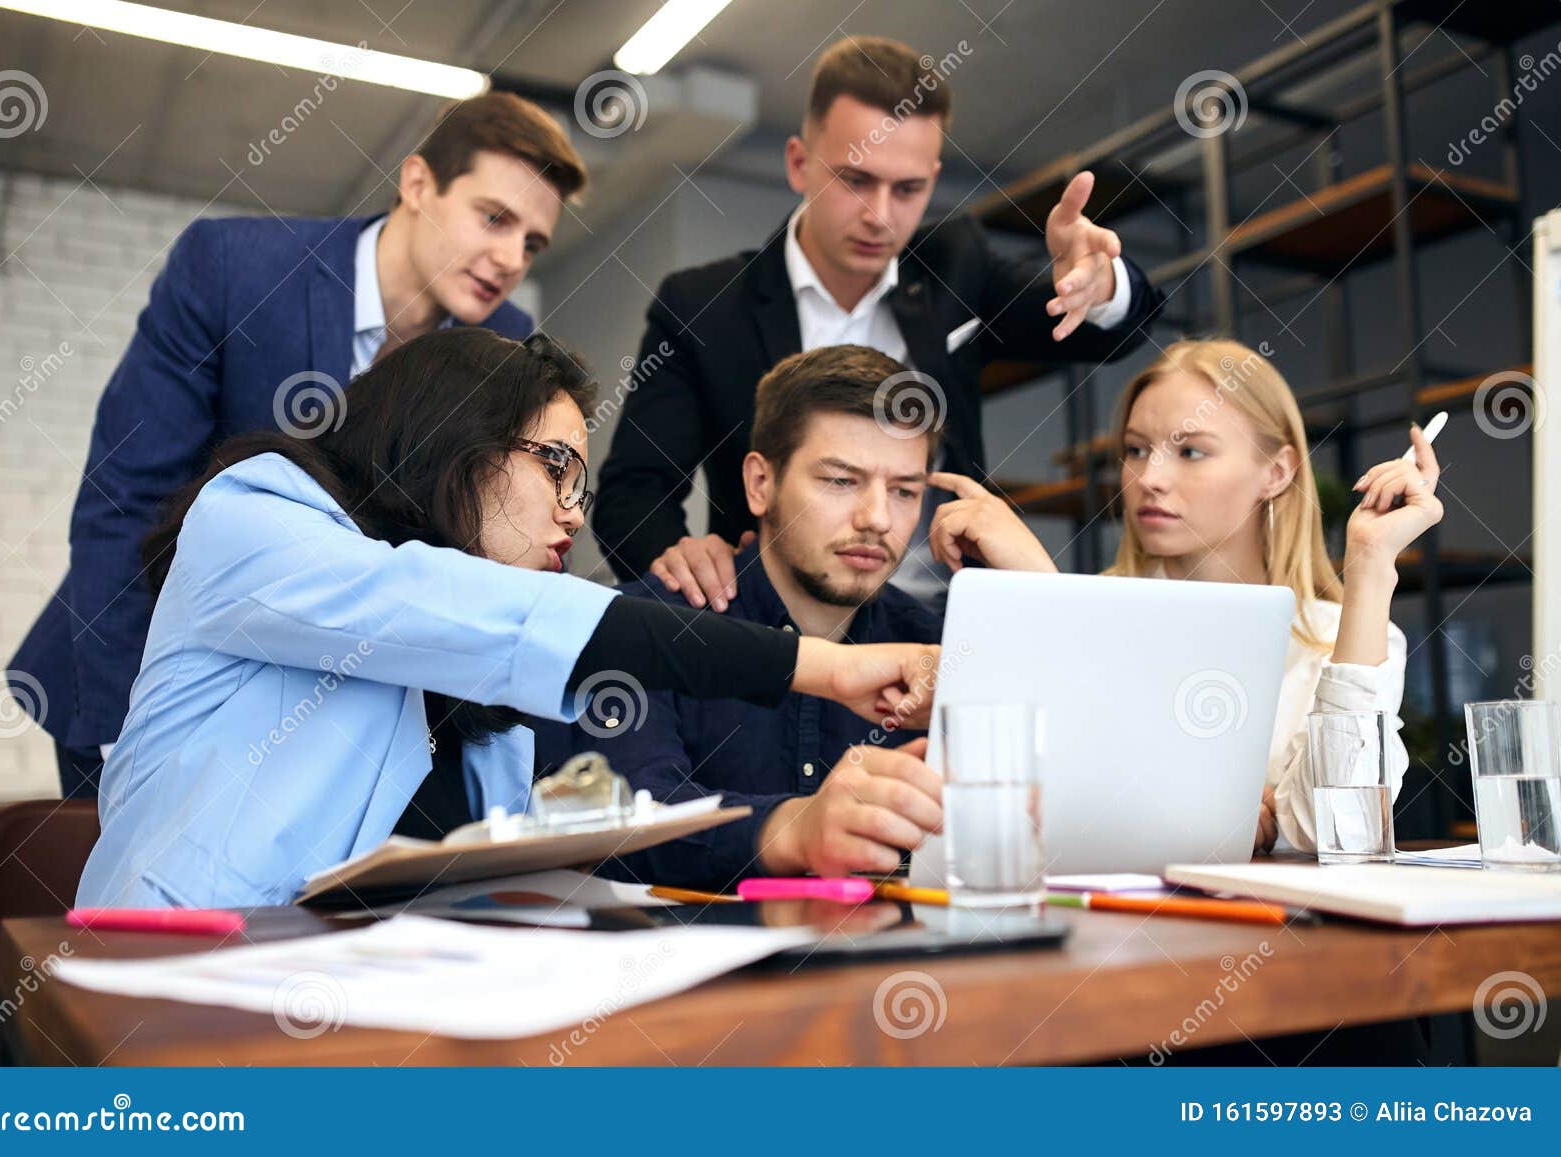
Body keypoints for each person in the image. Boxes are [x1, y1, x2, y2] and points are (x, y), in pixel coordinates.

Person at [76, 330, 937, 910]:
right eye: (554, 464)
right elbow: (460, 611)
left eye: (580, 481)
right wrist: (825, 668)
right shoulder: (254, 520)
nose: (572, 510)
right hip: (165, 997)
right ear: (452, 437)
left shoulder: (487, 703)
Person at [9, 91, 585, 799]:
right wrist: (129, 727)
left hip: (341, 718)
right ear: (417, 184)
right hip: (147, 669)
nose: (509, 258)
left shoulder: (505, 342)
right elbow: (125, 498)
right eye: (494, 218)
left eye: (532, 243)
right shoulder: (235, 270)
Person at [592, 34, 1161, 610]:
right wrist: (682, 565)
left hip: (947, 613)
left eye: (908, 189)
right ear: (798, 164)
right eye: (855, 181)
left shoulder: (956, 267)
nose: (880, 216)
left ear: (932, 178)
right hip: (775, 625)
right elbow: (633, 491)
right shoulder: (705, 304)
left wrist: (1100, 284)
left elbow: (1107, 332)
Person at [925, 339, 1443, 853]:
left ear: (1276, 472)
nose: (1149, 478)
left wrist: (1370, 565)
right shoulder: (1077, 612)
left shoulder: (1343, 638)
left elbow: (1345, 831)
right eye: (1136, 450)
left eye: (1191, 451)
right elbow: (1017, 811)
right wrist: (1042, 587)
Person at [535, 345, 947, 889]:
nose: (877, 519)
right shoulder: (649, 625)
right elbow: (624, 823)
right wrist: (791, 829)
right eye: (840, 481)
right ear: (760, 484)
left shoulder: (937, 644)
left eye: (904, 491)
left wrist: (1029, 570)